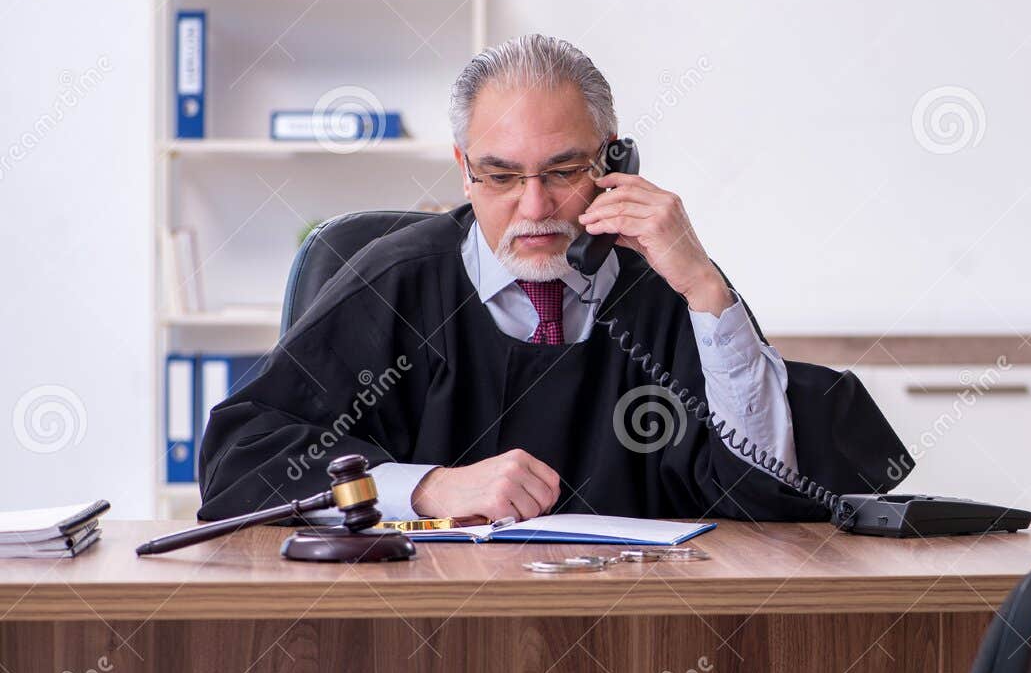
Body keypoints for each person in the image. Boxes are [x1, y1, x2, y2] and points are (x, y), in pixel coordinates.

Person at [197, 34, 907, 524]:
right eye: (501, 175)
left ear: (614, 157)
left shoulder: (664, 288)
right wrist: (428, 487)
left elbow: (769, 485)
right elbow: (240, 459)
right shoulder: (392, 283)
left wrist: (706, 291)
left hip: (640, 635)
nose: (534, 208)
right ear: (463, 168)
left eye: (565, 172)